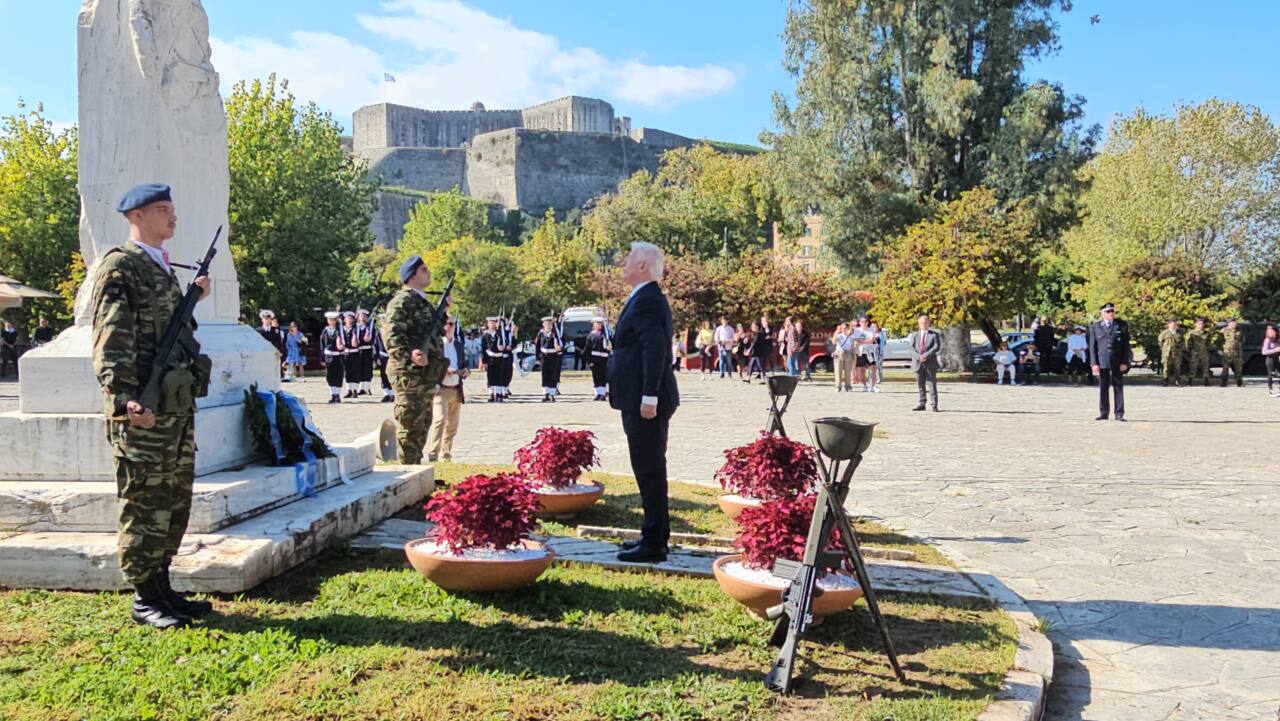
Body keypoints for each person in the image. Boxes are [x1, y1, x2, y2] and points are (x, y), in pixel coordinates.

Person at [91, 182, 213, 629]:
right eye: (162, 210)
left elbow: (170, 332)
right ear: (136, 216)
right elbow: (111, 339)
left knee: (172, 497)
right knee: (143, 499)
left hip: (173, 407)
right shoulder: (122, 266)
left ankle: (162, 588)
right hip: (143, 408)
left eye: (172, 209)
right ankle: (144, 598)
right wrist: (124, 400)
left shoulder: (161, 268)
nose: (172, 216)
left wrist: (193, 300)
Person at [609, 242, 679, 563]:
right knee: (647, 469)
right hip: (637, 398)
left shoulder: (648, 300)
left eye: (629, 260)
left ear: (643, 267)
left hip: (645, 401)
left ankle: (653, 543)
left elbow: (656, 350)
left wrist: (649, 395)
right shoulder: (643, 297)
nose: (623, 264)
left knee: (650, 470)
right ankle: (653, 535)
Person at [382, 255, 447, 464]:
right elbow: (392, 336)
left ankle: (415, 469)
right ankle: (406, 474)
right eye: (423, 270)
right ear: (411, 276)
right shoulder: (402, 301)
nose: (428, 273)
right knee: (410, 425)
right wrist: (409, 354)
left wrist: (443, 311)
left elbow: (431, 330)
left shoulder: (421, 301)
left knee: (423, 423)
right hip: (409, 374)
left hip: (425, 374)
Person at [428, 316, 466, 462]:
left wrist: (465, 370)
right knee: (440, 420)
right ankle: (433, 453)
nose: (450, 327)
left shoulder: (459, 345)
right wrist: (444, 369)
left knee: (452, 425)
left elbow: (463, 362)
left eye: (452, 324)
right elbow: (431, 365)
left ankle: (446, 455)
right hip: (440, 389)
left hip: (456, 389)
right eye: (447, 324)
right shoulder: (436, 345)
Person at [1088, 302, 1131, 421]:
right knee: (1103, 387)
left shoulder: (1121, 325)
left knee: (1118, 387)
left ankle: (1119, 413)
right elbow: (1093, 347)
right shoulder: (1095, 327)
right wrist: (1094, 363)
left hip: (1117, 360)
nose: (1111, 313)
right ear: (1102, 313)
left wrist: (1125, 362)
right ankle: (1104, 412)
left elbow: (1126, 345)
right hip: (1102, 360)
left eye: (1112, 311)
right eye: (1108, 311)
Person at [908, 315, 941, 411]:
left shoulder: (934, 335)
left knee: (932, 384)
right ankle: (922, 403)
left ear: (929, 323)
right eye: (921, 323)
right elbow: (911, 348)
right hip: (918, 363)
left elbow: (936, 347)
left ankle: (934, 405)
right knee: (920, 384)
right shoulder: (914, 335)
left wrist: (925, 356)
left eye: (925, 323)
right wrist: (919, 357)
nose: (923, 325)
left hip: (930, 363)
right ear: (919, 324)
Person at [319, 311, 345, 403]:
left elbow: (343, 343)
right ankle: (332, 394)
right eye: (330, 320)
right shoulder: (325, 331)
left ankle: (337, 394)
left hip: (338, 356)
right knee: (329, 376)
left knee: (338, 375)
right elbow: (322, 345)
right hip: (328, 356)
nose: (332, 321)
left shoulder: (340, 330)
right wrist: (322, 358)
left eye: (333, 320)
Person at [536, 316, 563, 401]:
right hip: (544, 356)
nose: (548, 325)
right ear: (543, 325)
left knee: (553, 375)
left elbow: (561, 345)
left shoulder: (555, 333)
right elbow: (537, 346)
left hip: (553, 356)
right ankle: (545, 393)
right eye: (546, 324)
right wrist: (537, 358)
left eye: (550, 324)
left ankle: (552, 394)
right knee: (545, 375)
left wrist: (559, 348)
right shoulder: (541, 333)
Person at [481, 316, 504, 403]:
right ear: (488, 324)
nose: (492, 324)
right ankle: (491, 394)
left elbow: (505, 343)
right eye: (491, 323)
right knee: (490, 377)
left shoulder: (500, 333)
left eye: (494, 323)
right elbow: (483, 349)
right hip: (490, 358)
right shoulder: (485, 335)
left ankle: (498, 394)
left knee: (499, 376)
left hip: (499, 357)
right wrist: (484, 361)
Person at [587, 318, 611, 400]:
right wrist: (589, 360)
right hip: (594, 359)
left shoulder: (606, 335)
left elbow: (611, 344)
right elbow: (588, 349)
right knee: (596, 376)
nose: (597, 325)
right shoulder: (591, 335)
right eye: (596, 324)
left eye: (599, 324)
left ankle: (603, 393)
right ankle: (597, 393)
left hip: (604, 359)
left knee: (603, 376)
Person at [256, 310, 284, 379]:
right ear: (262, 320)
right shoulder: (259, 330)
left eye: (268, 319)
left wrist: (280, 350)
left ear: (270, 320)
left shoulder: (275, 330)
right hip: (262, 351)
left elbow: (278, 341)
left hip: (273, 350)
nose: (266, 320)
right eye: (265, 319)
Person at [1186, 318, 1212, 386]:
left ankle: (1206, 381)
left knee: (1205, 368)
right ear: (1196, 324)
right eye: (1199, 324)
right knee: (1193, 367)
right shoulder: (1191, 333)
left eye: (1202, 324)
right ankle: (1190, 381)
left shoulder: (1206, 333)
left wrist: (1207, 349)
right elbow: (1187, 343)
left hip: (1204, 353)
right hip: (1195, 353)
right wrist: (1190, 351)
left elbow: (1208, 342)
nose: (1201, 325)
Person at [340, 311, 361, 398]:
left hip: (355, 352)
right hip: (346, 353)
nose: (349, 320)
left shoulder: (356, 329)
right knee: (347, 372)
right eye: (347, 318)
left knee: (355, 371)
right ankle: (349, 390)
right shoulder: (342, 330)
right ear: (344, 320)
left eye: (351, 318)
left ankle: (355, 390)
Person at [1219, 319, 1244, 387]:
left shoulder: (1239, 331)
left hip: (1237, 352)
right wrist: (1220, 350)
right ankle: (1223, 383)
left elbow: (1242, 340)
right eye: (1232, 323)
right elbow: (1219, 341)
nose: (1234, 324)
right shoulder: (1223, 331)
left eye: (1234, 323)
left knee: (1238, 368)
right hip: (1227, 353)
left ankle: (1239, 383)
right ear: (1228, 323)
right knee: (1225, 368)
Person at [1158, 320, 1184, 387]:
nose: (1173, 326)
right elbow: (1160, 342)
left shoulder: (1179, 333)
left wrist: (1180, 349)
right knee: (1166, 368)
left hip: (1177, 354)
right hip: (1167, 354)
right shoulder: (1164, 333)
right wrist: (1164, 349)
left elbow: (1182, 342)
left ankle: (1178, 382)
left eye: (1175, 324)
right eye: (1172, 324)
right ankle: (1165, 381)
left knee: (1177, 368)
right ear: (1169, 325)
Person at [356, 309, 376, 396]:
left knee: (367, 369)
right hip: (359, 350)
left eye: (364, 316)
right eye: (361, 316)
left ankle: (367, 387)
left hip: (368, 350)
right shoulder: (356, 327)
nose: (362, 317)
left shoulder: (370, 327)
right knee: (359, 368)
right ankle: (361, 388)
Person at [373, 319, 393, 403]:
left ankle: (393, 394)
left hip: (391, 355)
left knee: (392, 375)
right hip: (382, 356)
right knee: (383, 375)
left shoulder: (392, 330)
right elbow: (376, 345)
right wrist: (376, 357)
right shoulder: (379, 332)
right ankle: (386, 394)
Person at [852, 316, 874, 391]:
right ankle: (865, 386)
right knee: (862, 370)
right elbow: (855, 340)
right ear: (859, 322)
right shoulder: (856, 331)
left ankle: (873, 386)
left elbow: (871, 340)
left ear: (868, 322)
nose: (863, 323)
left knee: (872, 369)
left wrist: (861, 341)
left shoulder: (871, 330)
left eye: (865, 321)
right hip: (860, 352)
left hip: (869, 352)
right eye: (862, 321)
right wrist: (864, 341)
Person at [832, 322, 851, 392]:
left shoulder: (850, 336)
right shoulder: (839, 335)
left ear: (848, 328)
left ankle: (848, 386)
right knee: (838, 370)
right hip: (839, 353)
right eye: (842, 328)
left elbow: (852, 345)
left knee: (848, 371)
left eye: (844, 328)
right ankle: (838, 386)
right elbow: (834, 342)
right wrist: (837, 331)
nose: (843, 329)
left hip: (848, 353)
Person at [865, 320, 883, 391]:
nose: (873, 328)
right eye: (872, 326)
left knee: (877, 367)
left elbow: (881, 343)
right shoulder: (869, 334)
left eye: (874, 327)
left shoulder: (879, 335)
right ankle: (870, 381)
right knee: (870, 367)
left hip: (877, 352)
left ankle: (876, 381)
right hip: (870, 352)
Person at [1262, 325, 1279, 396]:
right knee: (1270, 374)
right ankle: (1270, 390)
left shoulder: (1278, 339)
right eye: (1269, 332)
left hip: (1277, 358)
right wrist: (1275, 350)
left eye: (1272, 332)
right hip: (1270, 358)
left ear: (1276, 332)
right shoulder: (1267, 340)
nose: (1270, 333)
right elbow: (1264, 352)